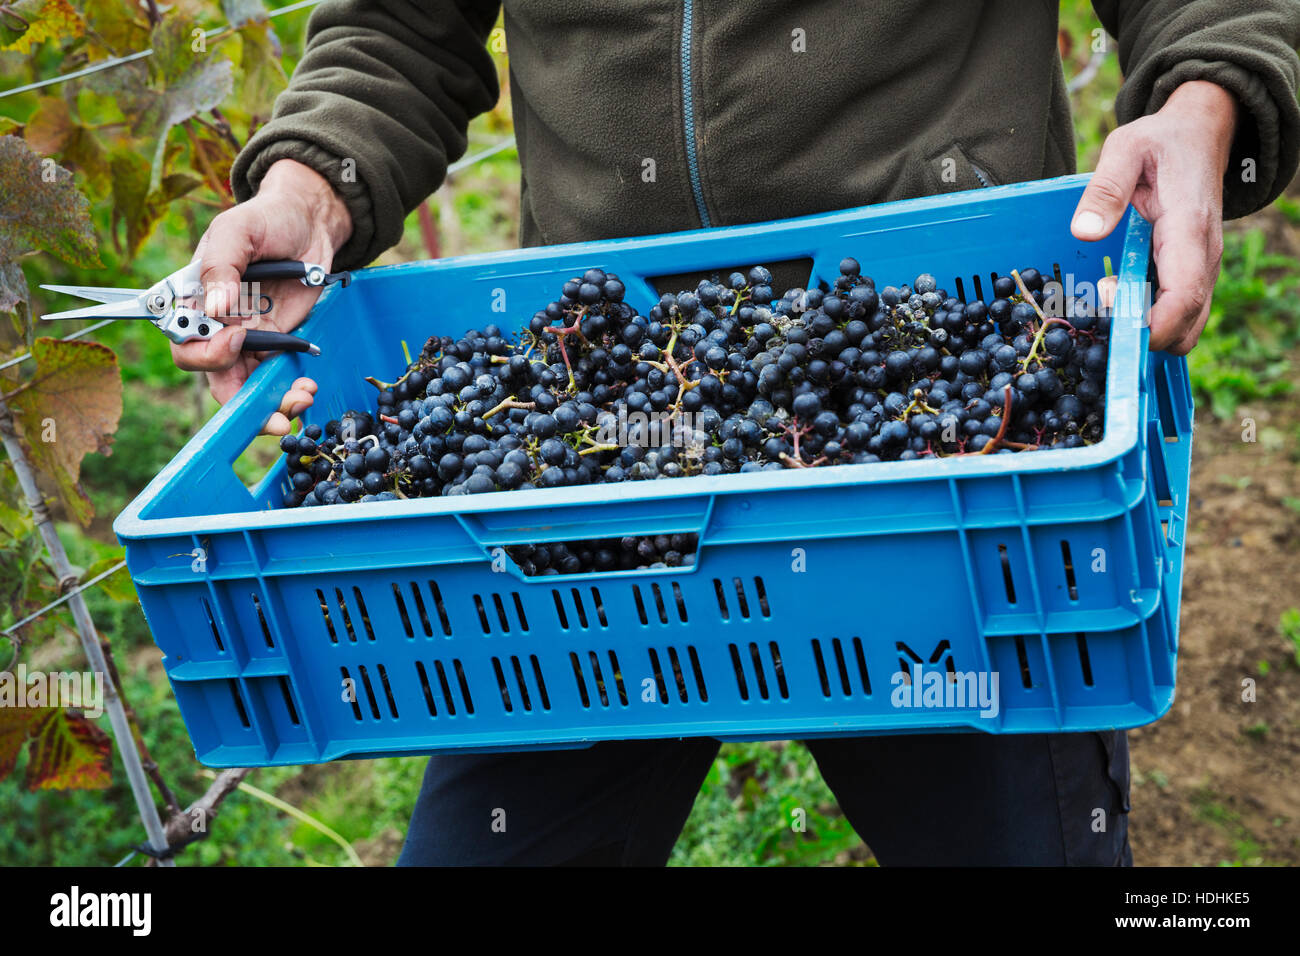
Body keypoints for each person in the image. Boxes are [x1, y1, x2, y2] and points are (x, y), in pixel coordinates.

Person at [171, 1, 1300, 865]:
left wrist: (1208, 100)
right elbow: (401, 26)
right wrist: (312, 183)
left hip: (944, 484)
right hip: (589, 477)